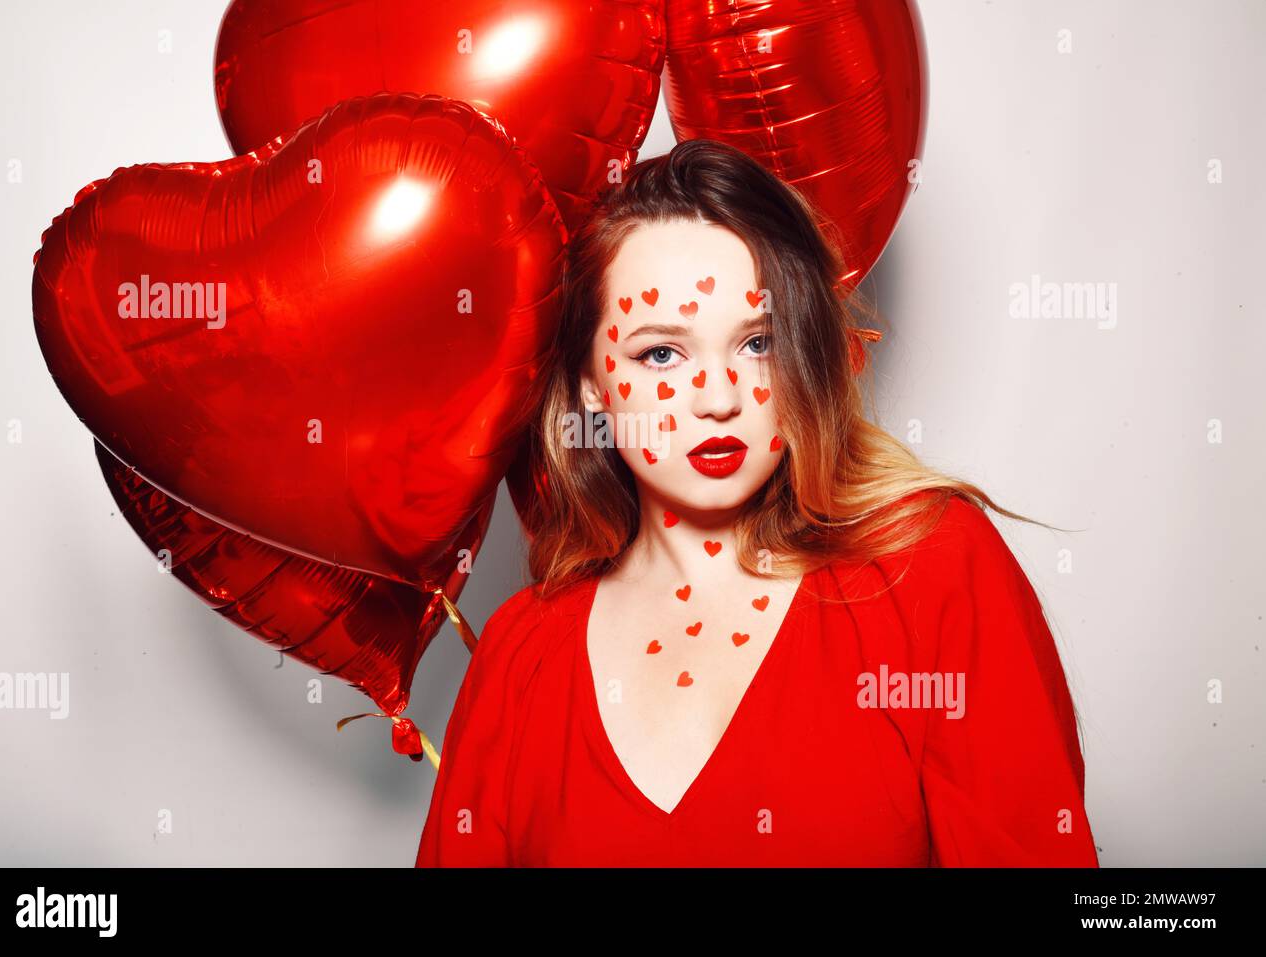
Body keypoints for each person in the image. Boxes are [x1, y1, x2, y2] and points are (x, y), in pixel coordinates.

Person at [415, 139, 1099, 867]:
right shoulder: (521, 654)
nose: (718, 399)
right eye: (661, 354)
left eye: (757, 342)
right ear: (590, 387)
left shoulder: (934, 573)